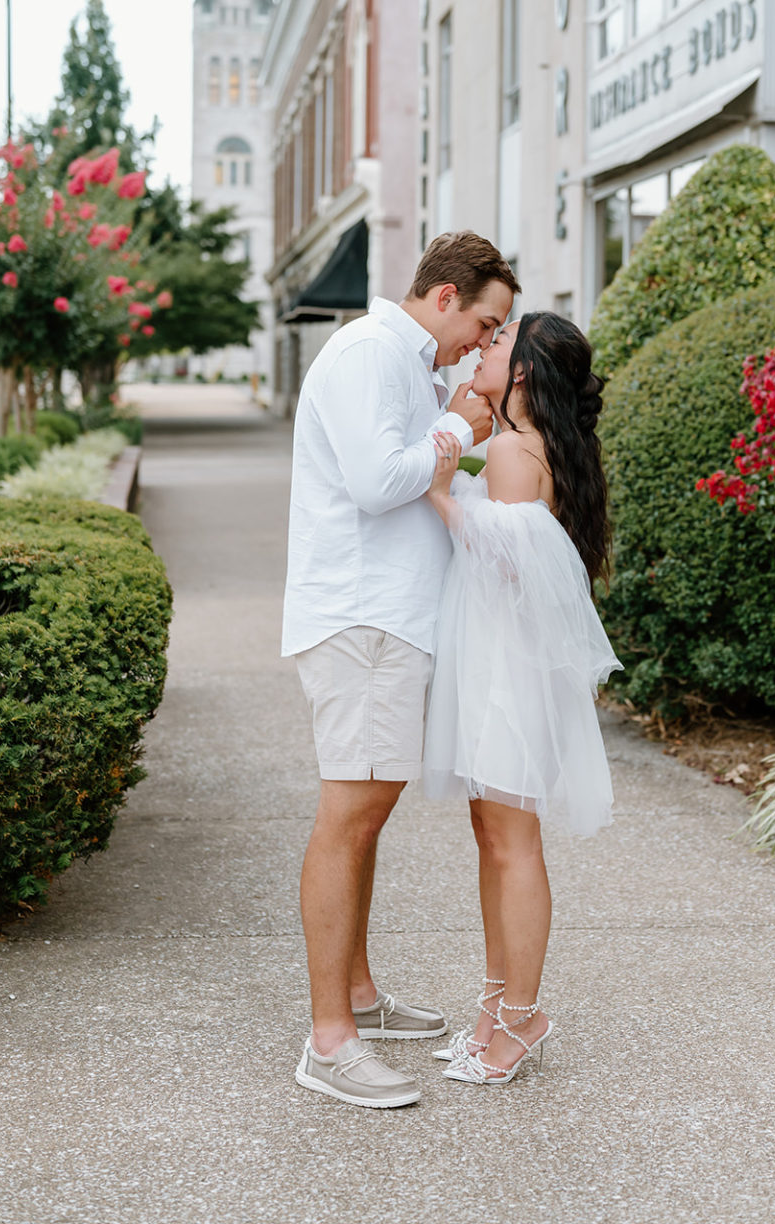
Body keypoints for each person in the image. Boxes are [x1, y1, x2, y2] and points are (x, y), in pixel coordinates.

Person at [283, 231, 520, 1109]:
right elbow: (380, 481)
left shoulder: (410, 366)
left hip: (389, 621)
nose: (485, 343)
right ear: (448, 296)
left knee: (369, 811)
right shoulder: (370, 354)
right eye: (486, 322)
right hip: (363, 617)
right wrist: (460, 424)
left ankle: (357, 996)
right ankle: (329, 1043)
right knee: (350, 813)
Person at [423, 310, 620, 1087]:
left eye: (497, 343)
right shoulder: (533, 448)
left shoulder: (510, 450)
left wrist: (442, 493)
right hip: (505, 665)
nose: (482, 348)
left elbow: (505, 566)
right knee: (496, 837)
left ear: (527, 373)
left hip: (506, 671)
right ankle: (492, 1008)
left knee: (511, 843)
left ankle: (520, 1017)